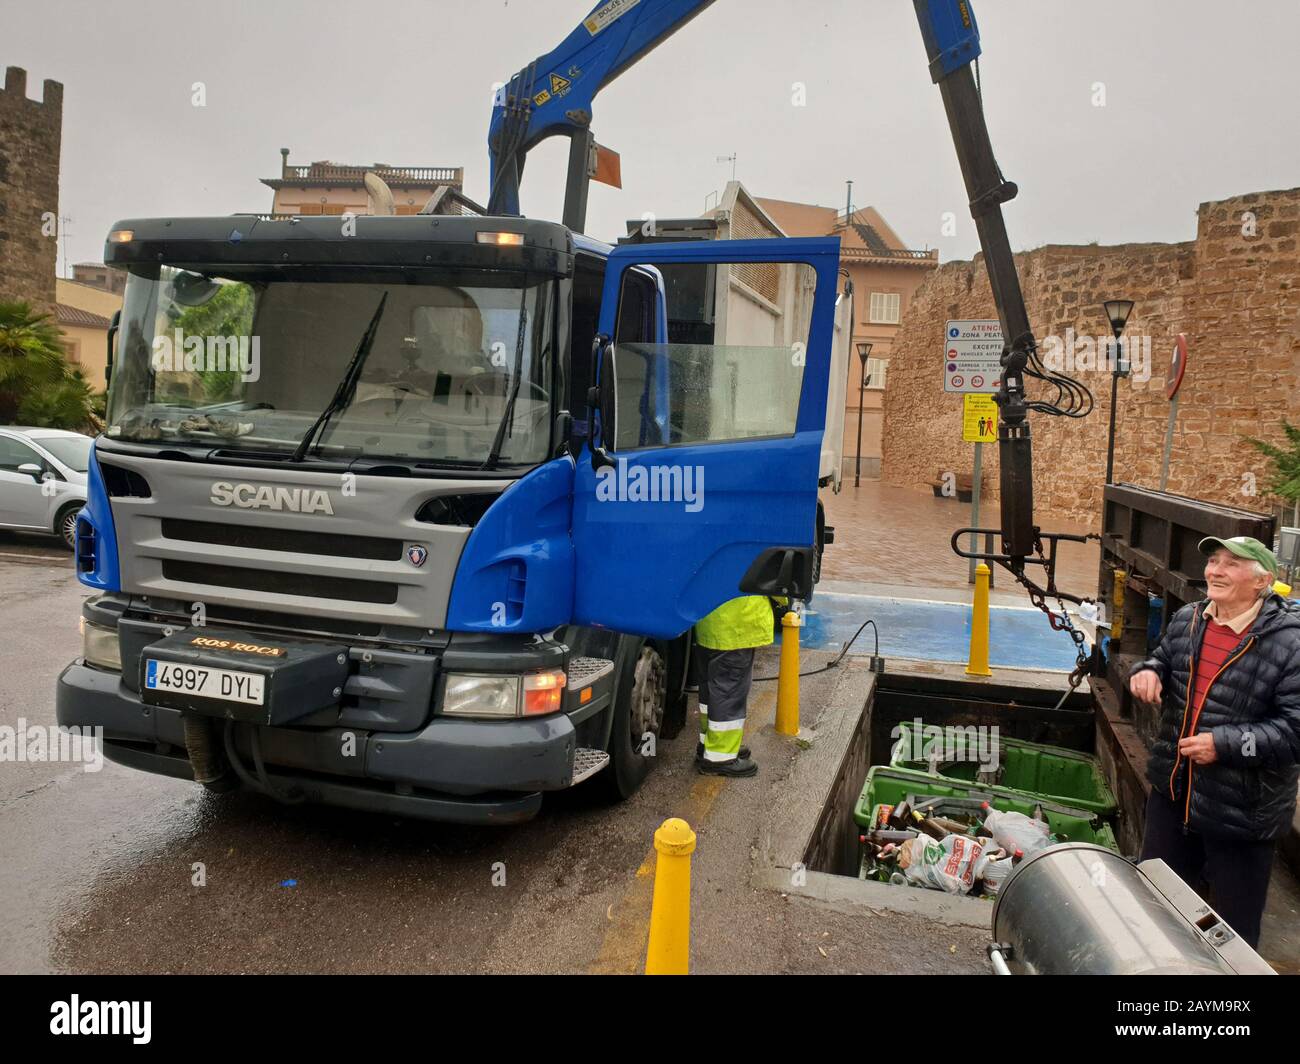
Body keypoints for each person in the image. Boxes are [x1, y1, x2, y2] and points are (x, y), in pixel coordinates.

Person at [1129, 535, 1300, 948]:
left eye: (1231, 564)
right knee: (1155, 908)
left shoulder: (1291, 642)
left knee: (1231, 937)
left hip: (1241, 813)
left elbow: (1294, 731)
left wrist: (1224, 745)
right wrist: (1148, 670)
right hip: (1173, 794)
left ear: (1262, 581)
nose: (1215, 571)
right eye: (1213, 561)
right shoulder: (1189, 618)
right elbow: (1163, 659)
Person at [693, 595, 780, 777]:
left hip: (710, 623)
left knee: (710, 689)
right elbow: (773, 578)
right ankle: (719, 757)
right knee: (729, 692)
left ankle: (708, 744)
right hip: (738, 626)